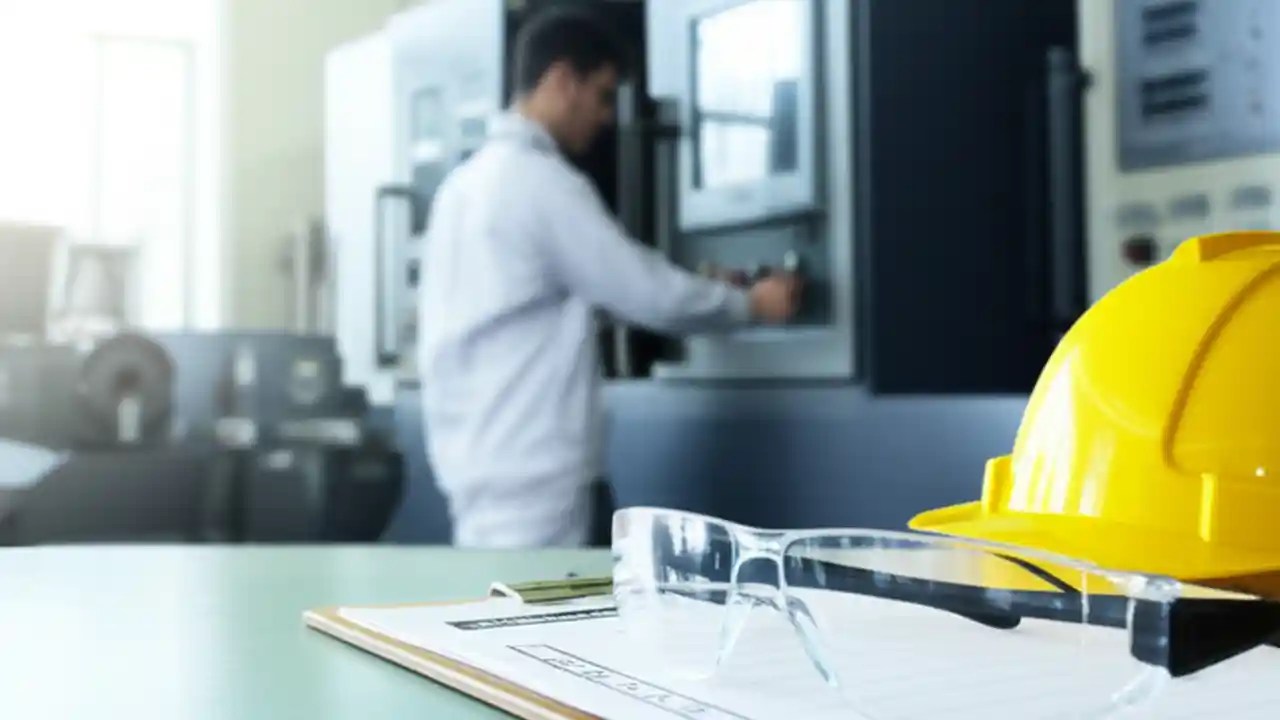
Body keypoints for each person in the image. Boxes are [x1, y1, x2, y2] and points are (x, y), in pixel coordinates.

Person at [417, 7, 800, 549]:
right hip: (538, 482)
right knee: (553, 603)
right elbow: (645, 292)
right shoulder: (540, 183)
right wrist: (753, 305)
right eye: (601, 96)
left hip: (475, 473)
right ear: (561, 81)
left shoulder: (461, 188)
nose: (604, 118)